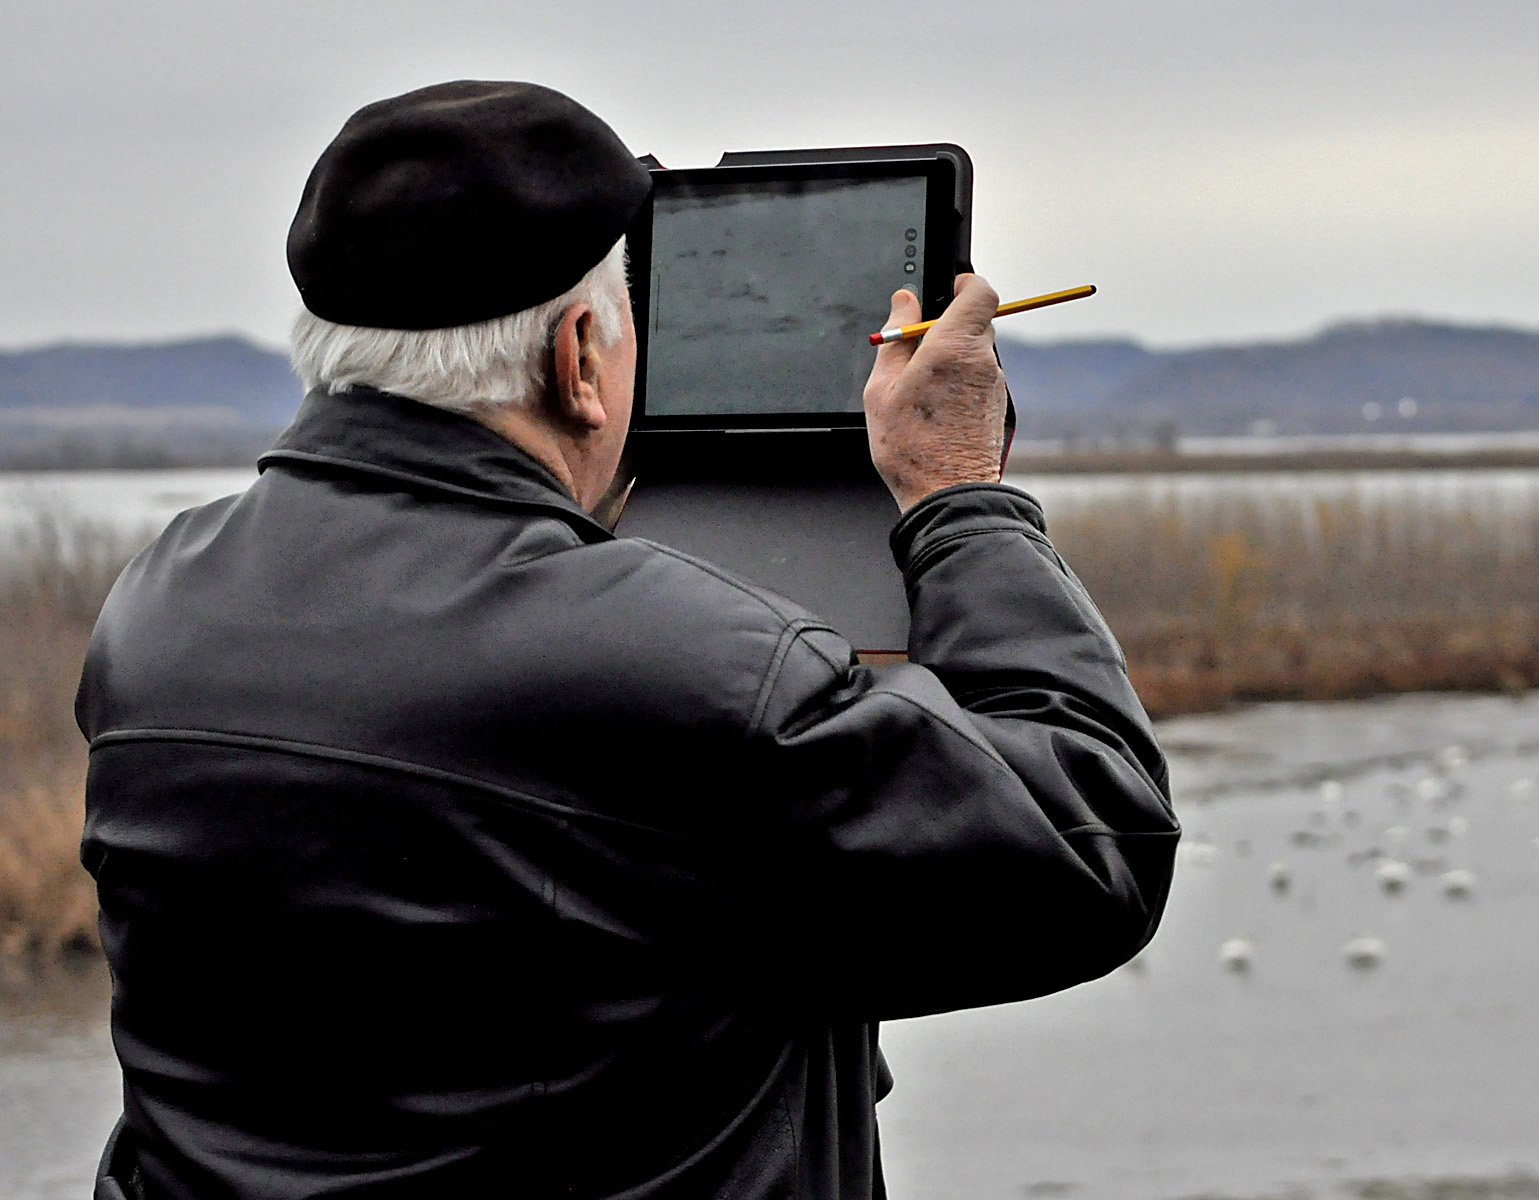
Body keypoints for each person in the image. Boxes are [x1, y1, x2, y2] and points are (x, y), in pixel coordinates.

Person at [79, 80, 1178, 1200]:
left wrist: (566, 519)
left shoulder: (160, 606)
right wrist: (960, 498)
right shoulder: (679, 667)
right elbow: (1097, 846)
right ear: (578, 358)